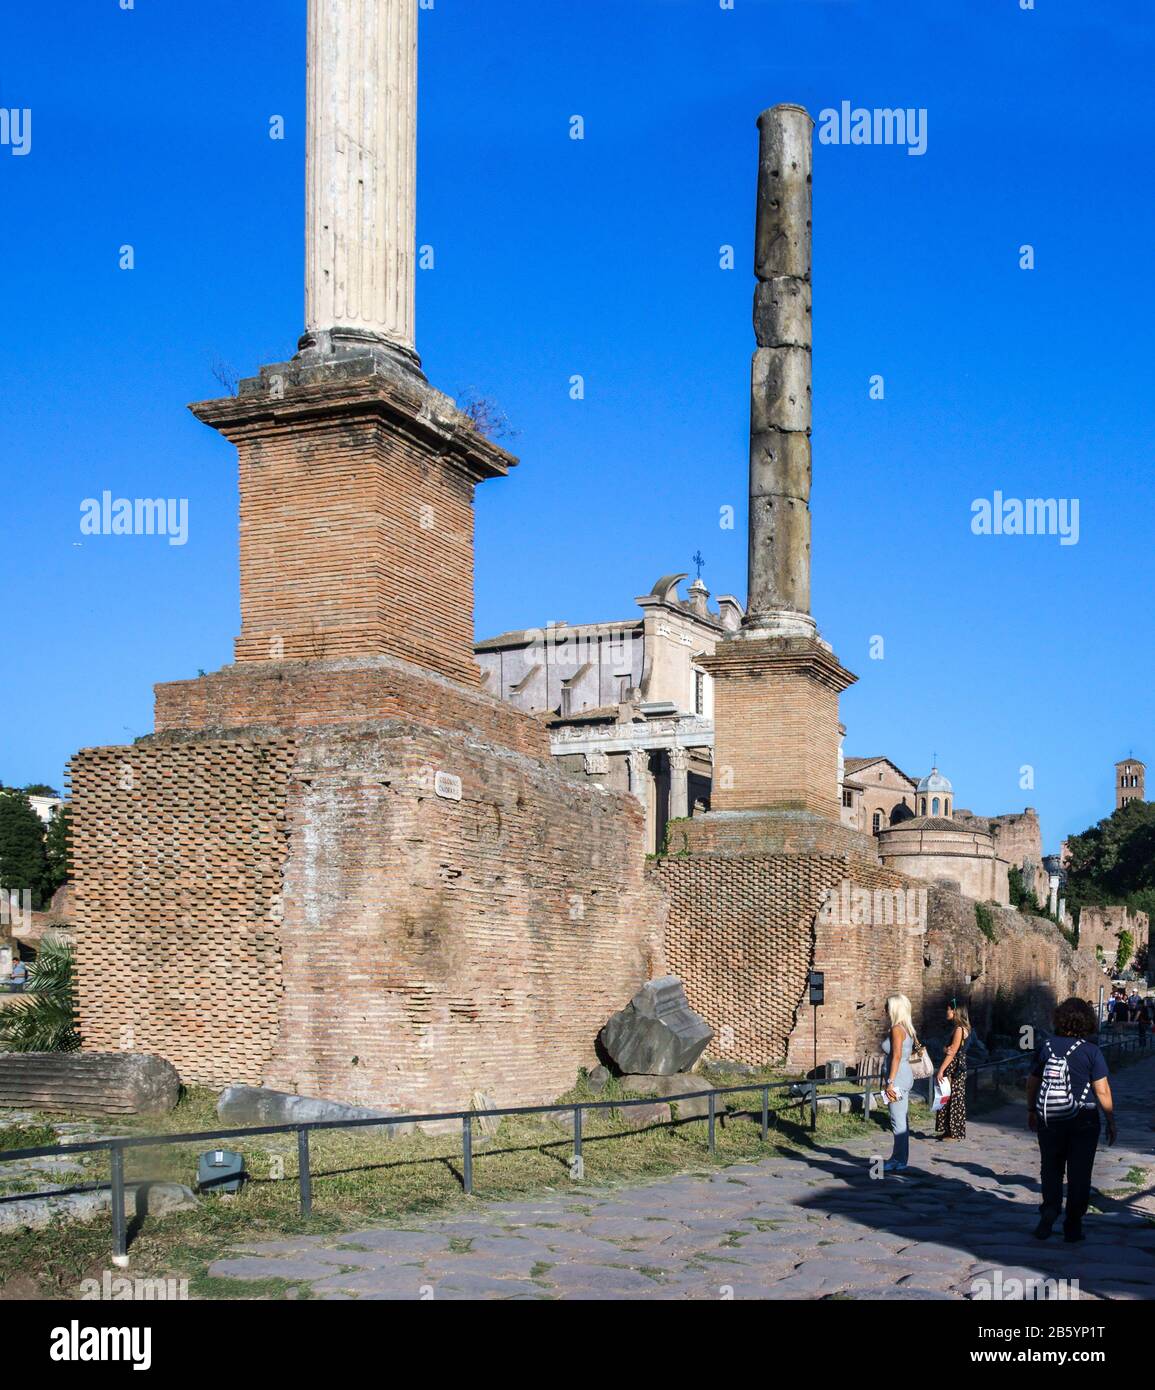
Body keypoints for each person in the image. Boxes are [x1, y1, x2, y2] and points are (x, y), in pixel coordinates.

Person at [1027, 996, 1116, 1243]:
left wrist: (1031, 1109)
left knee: (1050, 1167)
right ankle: (1073, 1223)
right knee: (1080, 1173)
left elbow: (1032, 1082)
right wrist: (1110, 1119)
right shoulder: (1091, 1051)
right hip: (1083, 1119)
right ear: (1087, 1022)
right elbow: (1102, 1090)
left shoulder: (1046, 1047)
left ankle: (1049, 1210)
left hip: (1051, 1117)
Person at [881, 993, 918, 1173]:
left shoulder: (896, 1029)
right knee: (901, 1118)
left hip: (898, 1077)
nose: (885, 1010)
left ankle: (898, 1160)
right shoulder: (907, 1028)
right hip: (904, 1075)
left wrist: (890, 1082)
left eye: (887, 1006)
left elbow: (895, 1056)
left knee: (897, 1120)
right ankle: (900, 1157)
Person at [934, 1000, 972, 1140]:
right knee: (948, 1097)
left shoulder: (959, 1029)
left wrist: (941, 1070)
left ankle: (953, 1132)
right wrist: (946, 1048)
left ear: (955, 1011)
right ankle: (949, 1130)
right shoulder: (961, 1028)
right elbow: (950, 1049)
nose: (947, 1012)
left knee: (953, 1098)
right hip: (957, 1065)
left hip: (955, 1068)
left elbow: (953, 1052)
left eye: (949, 1009)